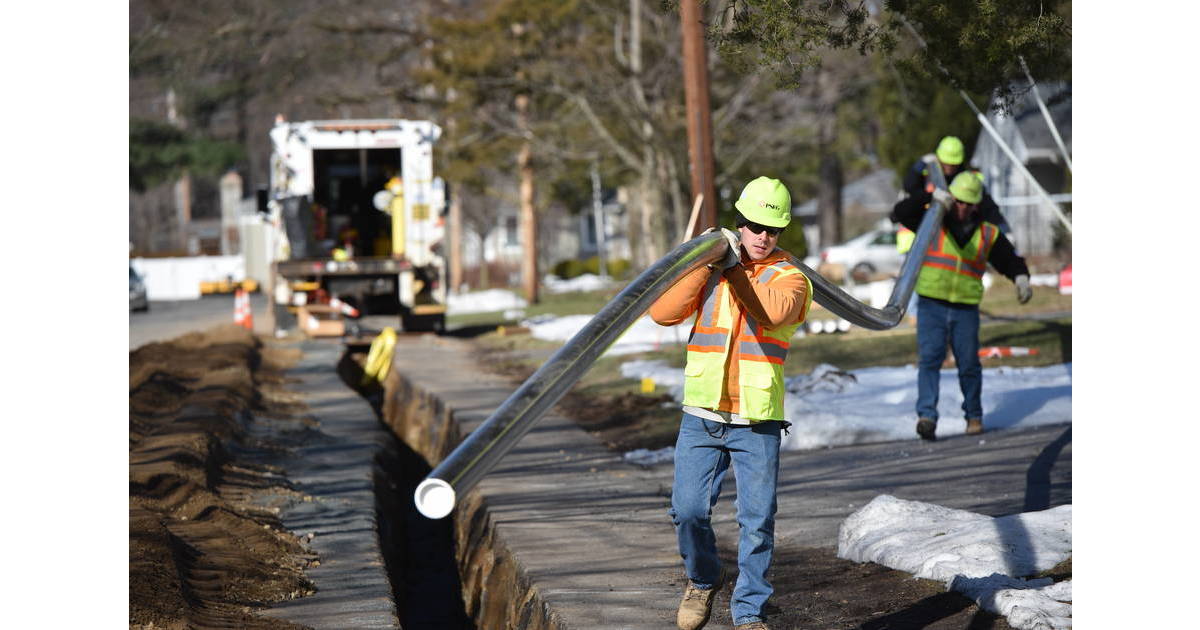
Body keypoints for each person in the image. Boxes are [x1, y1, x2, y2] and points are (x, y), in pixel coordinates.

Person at [649, 176, 813, 630]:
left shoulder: (792, 278)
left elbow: (771, 312)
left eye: (772, 229)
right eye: (754, 225)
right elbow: (662, 313)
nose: (763, 236)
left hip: (756, 419)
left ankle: (749, 613)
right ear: (739, 223)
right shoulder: (711, 270)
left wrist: (731, 269)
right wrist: (703, 264)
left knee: (757, 521)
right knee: (687, 511)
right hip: (702, 414)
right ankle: (703, 580)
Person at [892, 171, 1032, 441]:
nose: (962, 207)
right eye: (958, 201)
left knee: (968, 364)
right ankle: (927, 417)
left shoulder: (987, 233)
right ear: (951, 198)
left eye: (968, 203)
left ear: (977, 204)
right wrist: (930, 197)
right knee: (930, 360)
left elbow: (1008, 258)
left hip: (965, 307)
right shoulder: (931, 221)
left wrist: (1021, 277)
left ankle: (974, 416)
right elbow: (899, 212)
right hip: (931, 302)